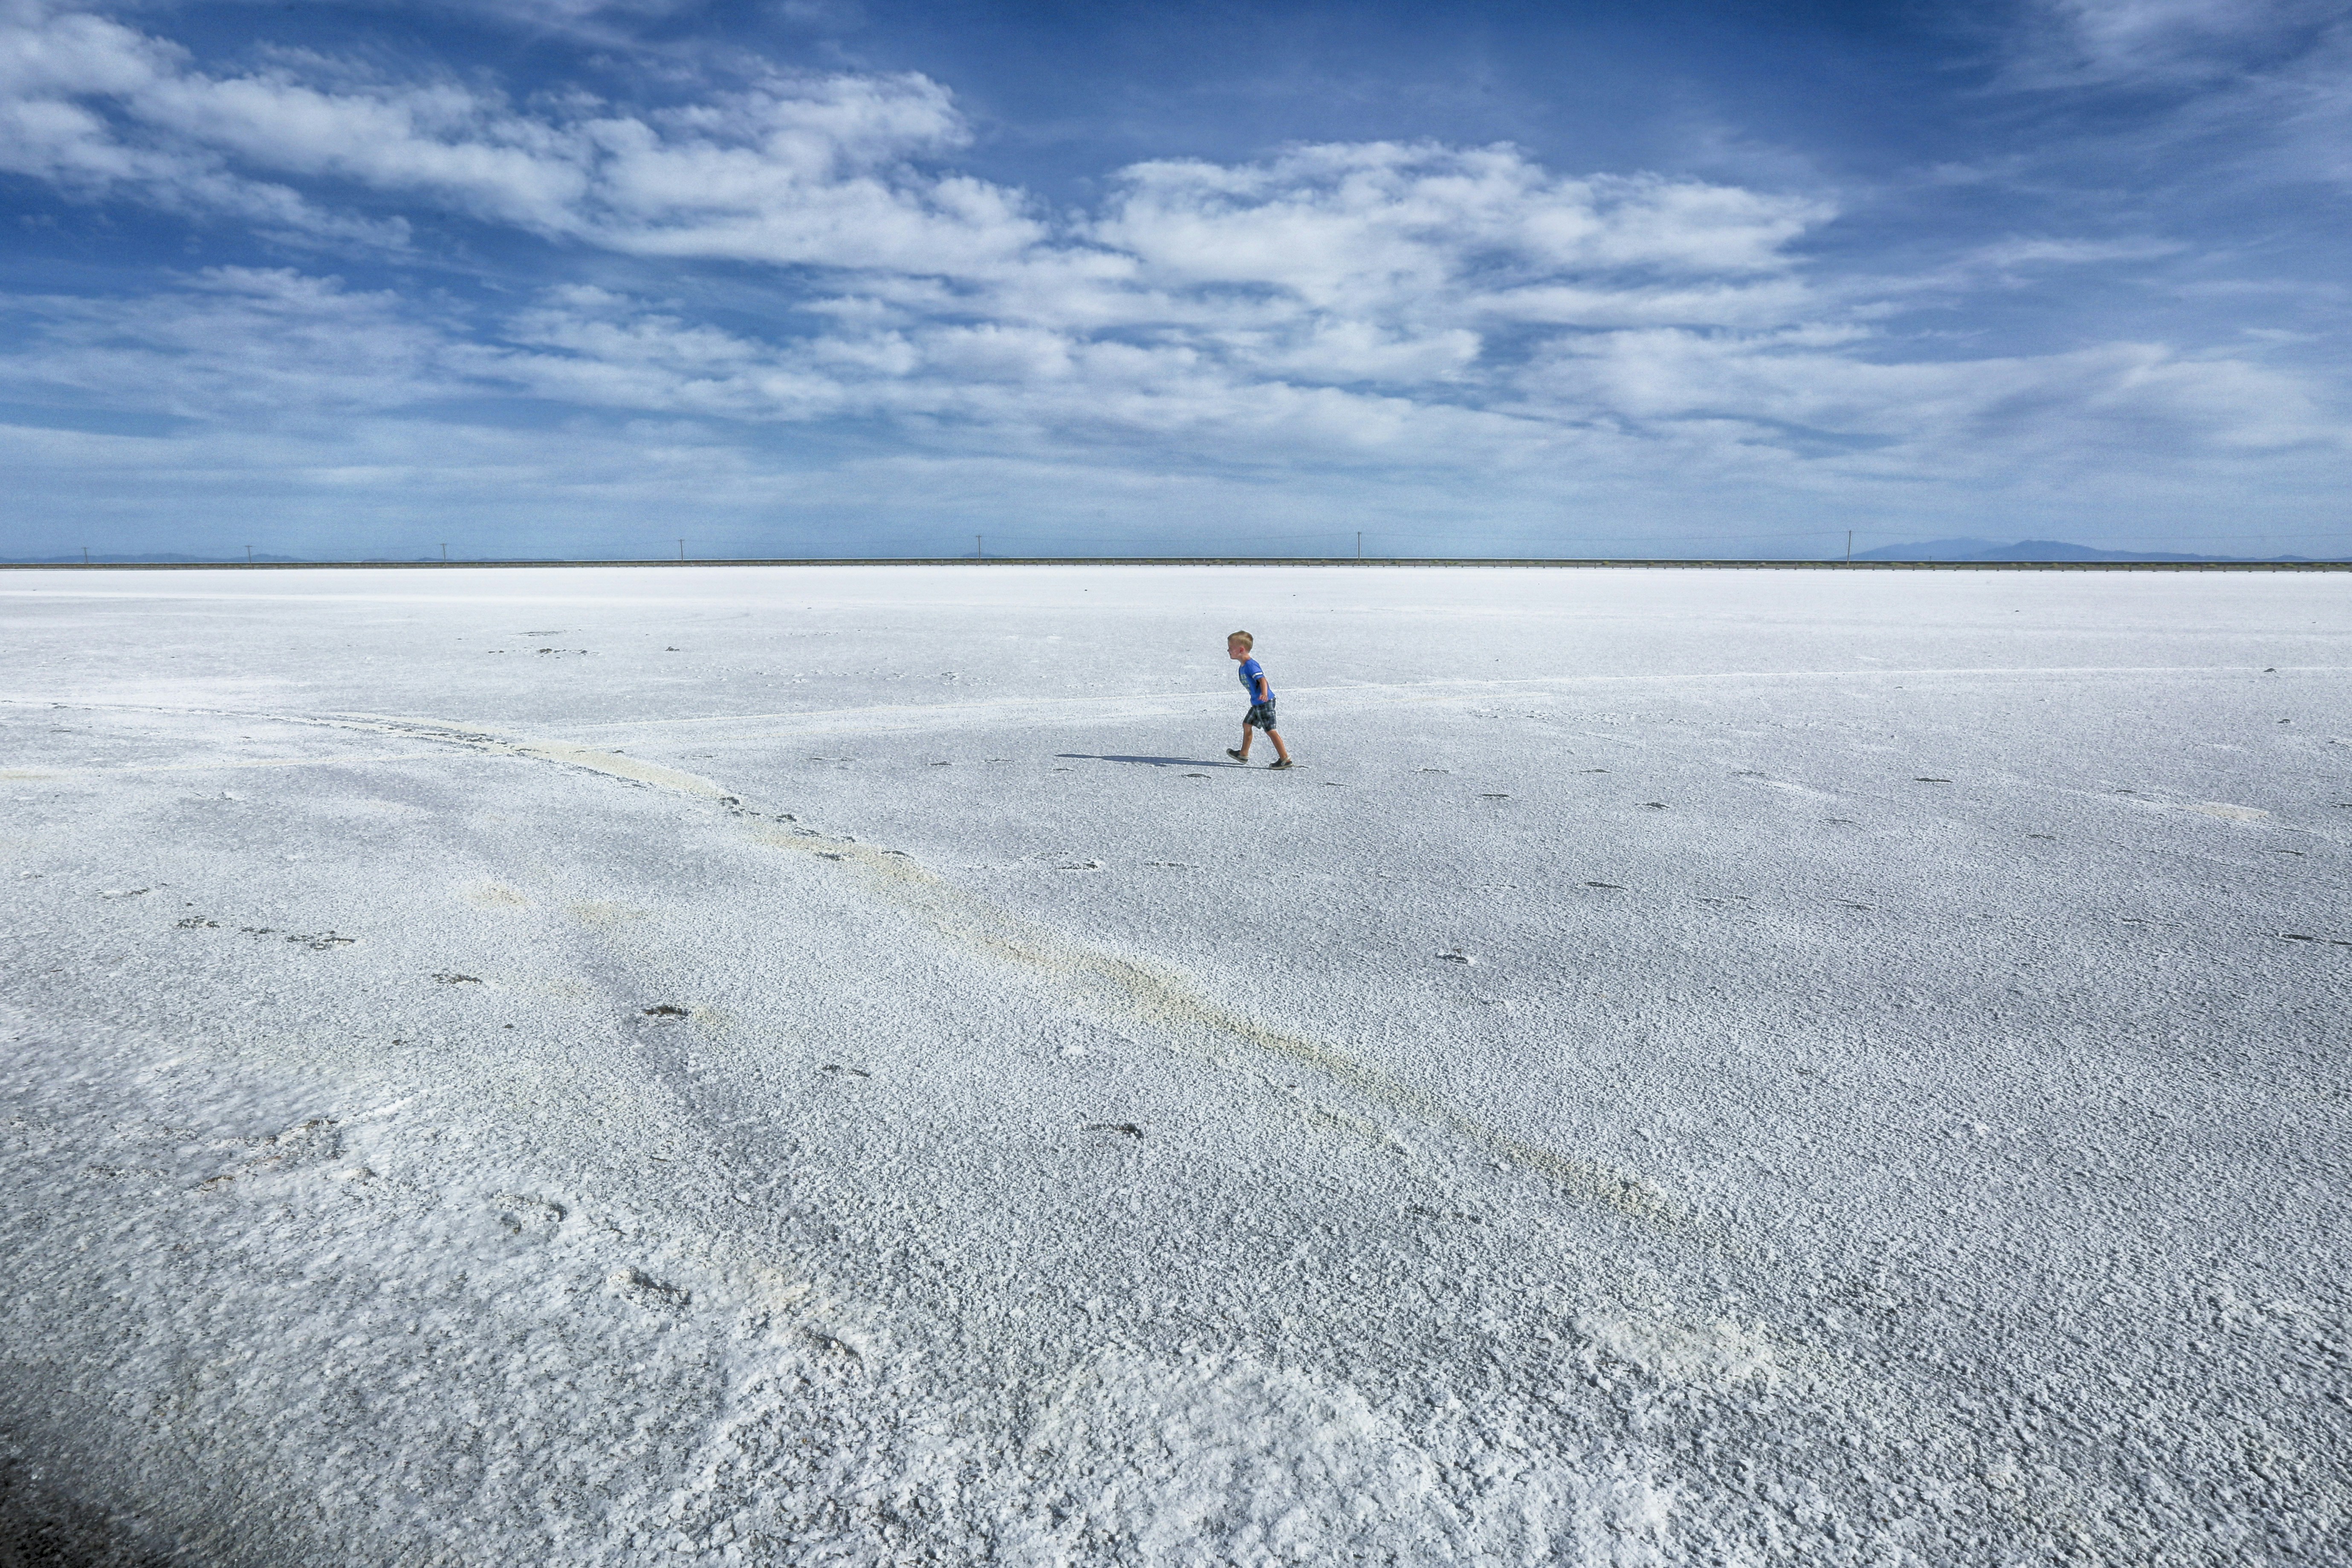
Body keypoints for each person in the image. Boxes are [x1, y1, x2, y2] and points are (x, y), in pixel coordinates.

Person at [1224, 631, 1293, 769]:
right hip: (1257, 703)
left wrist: (1264, 694)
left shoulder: (1250, 665)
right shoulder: (1243, 666)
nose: (1228, 650)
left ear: (1241, 649)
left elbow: (1262, 679)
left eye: (1231, 648)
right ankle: (1243, 754)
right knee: (1247, 724)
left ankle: (1285, 759)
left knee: (1270, 730)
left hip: (1264, 702)